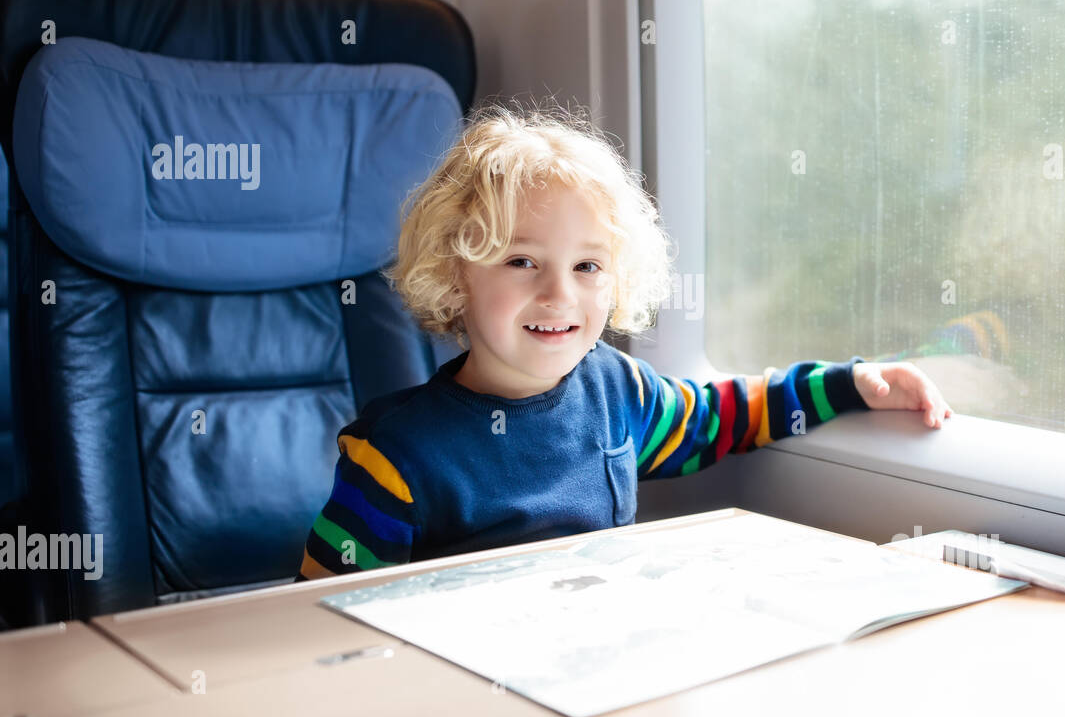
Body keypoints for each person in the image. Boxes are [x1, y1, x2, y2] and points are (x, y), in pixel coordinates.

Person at [294, 103, 952, 581]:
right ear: (456, 271)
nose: (559, 295)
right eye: (521, 261)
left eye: (587, 267)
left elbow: (718, 417)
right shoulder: (395, 456)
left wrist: (846, 386)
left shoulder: (618, 389)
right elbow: (320, 619)